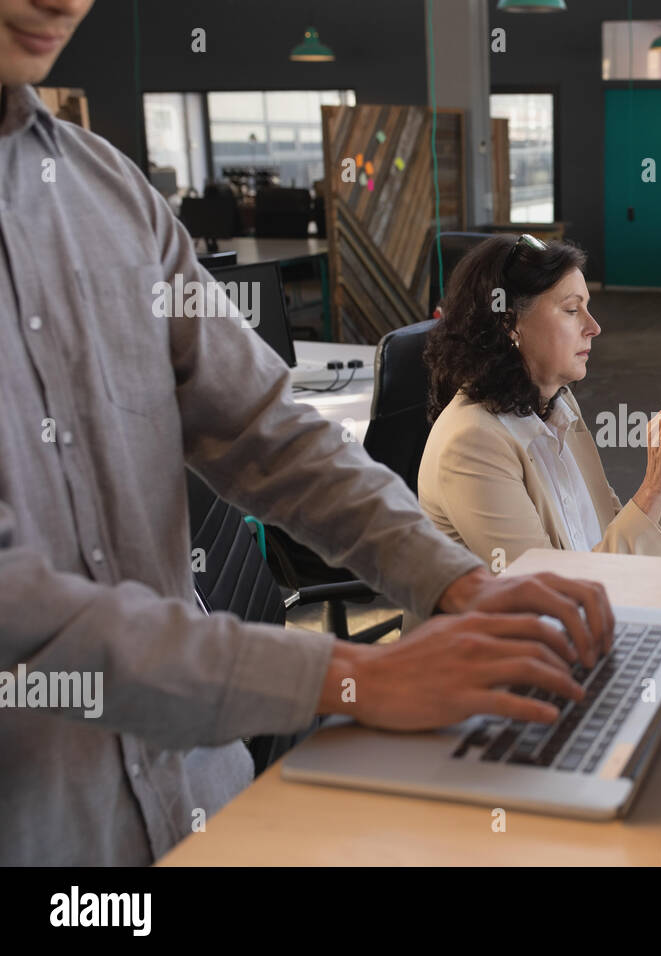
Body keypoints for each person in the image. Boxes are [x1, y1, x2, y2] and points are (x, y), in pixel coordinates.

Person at [0, 0, 613, 866]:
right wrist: (356, 679)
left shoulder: (106, 192)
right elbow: (21, 619)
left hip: (202, 800)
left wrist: (457, 583)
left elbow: (264, 426)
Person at [419, 234, 661, 567]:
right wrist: (654, 486)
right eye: (571, 310)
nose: (594, 327)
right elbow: (547, 595)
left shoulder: (559, 405)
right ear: (510, 323)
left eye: (588, 307)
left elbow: (608, 537)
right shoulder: (473, 444)